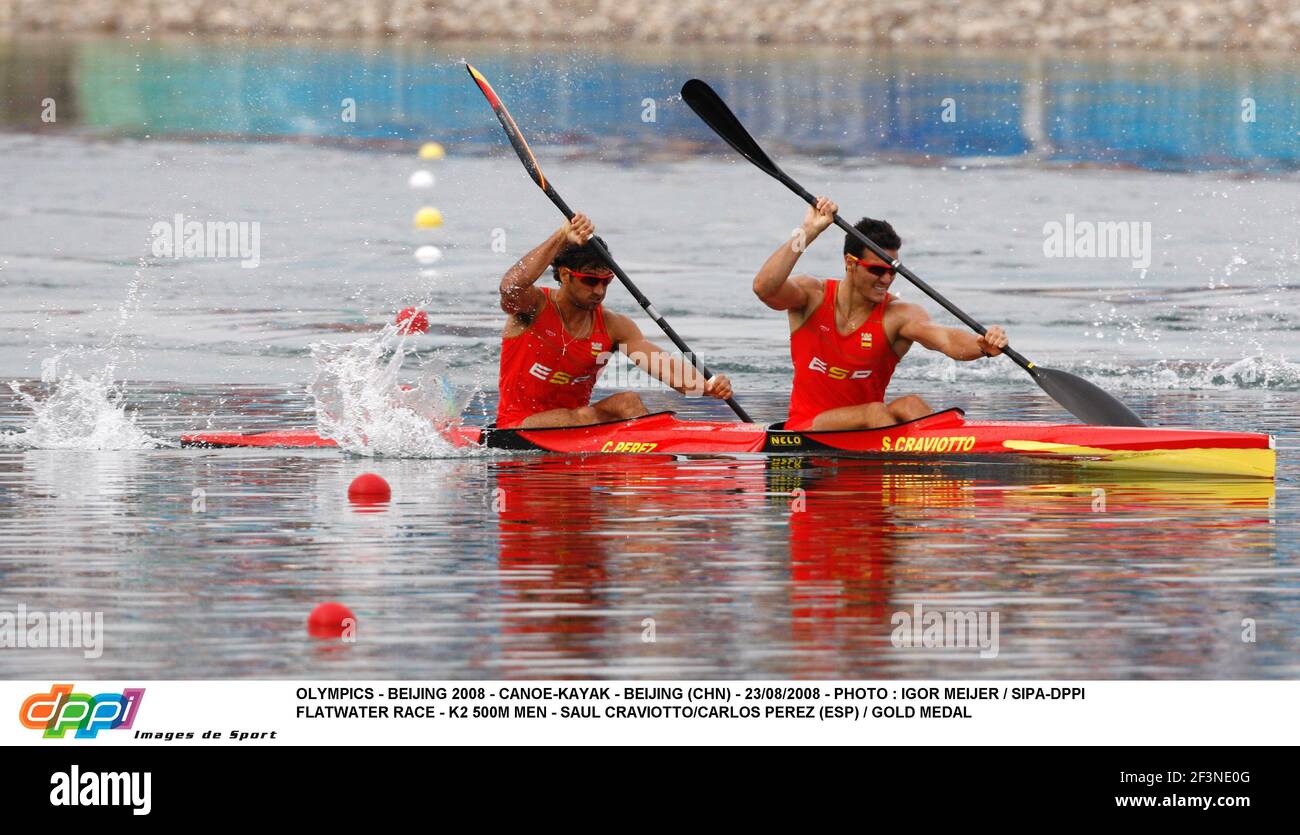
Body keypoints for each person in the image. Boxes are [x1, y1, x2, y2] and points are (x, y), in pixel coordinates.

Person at [752, 197, 1009, 431]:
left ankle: (944, 471)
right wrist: (808, 231)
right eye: (877, 270)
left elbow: (946, 339)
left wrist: (982, 345)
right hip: (806, 430)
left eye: (892, 271)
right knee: (874, 412)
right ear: (850, 263)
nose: (886, 279)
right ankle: (914, 470)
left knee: (911, 404)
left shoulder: (898, 315)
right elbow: (764, 288)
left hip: (869, 430)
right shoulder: (812, 295)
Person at [496, 213, 733, 428]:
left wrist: (707, 386)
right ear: (566, 275)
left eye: (606, 281)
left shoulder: (613, 326)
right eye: (590, 281)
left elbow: (665, 366)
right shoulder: (534, 306)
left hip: (577, 421)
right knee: (584, 416)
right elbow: (510, 287)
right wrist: (561, 236)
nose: (599, 291)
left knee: (627, 401)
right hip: (518, 425)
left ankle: (652, 464)